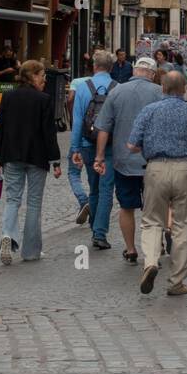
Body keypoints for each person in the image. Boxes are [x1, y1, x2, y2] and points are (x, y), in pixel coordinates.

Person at [127, 71, 187, 297]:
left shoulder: (149, 111)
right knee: (182, 225)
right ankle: (176, 281)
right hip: (185, 169)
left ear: (162, 88)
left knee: (151, 221)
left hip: (156, 168)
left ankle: (151, 262)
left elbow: (132, 145)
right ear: (183, 89)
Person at [0, 59, 61, 265]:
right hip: (37, 157)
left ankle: (7, 234)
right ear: (33, 76)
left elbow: (0, 127)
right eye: (42, 76)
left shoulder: (9, 97)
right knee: (33, 203)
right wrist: (55, 161)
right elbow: (49, 133)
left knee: (13, 199)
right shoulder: (44, 100)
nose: (45, 80)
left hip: (11, 155)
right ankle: (31, 251)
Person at [93, 56, 162, 263]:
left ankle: (131, 249)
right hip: (153, 161)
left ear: (134, 72)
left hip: (124, 161)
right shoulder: (159, 92)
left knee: (126, 207)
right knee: (154, 208)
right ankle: (154, 250)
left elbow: (104, 128)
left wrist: (99, 157)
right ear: (152, 73)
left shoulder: (116, 92)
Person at [70, 49, 115, 249]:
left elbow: (77, 121)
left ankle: (94, 225)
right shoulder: (117, 87)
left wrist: (75, 148)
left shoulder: (82, 87)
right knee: (107, 189)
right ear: (111, 67)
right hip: (110, 147)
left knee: (94, 187)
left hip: (88, 144)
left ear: (94, 66)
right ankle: (99, 233)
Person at [65, 77, 91, 224]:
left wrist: (72, 115)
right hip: (97, 140)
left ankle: (84, 200)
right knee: (95, 179)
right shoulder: (107, 84)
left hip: (81, 137)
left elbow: (70, 99)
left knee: (74, 173)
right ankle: (97, 215)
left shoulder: (77, 82)